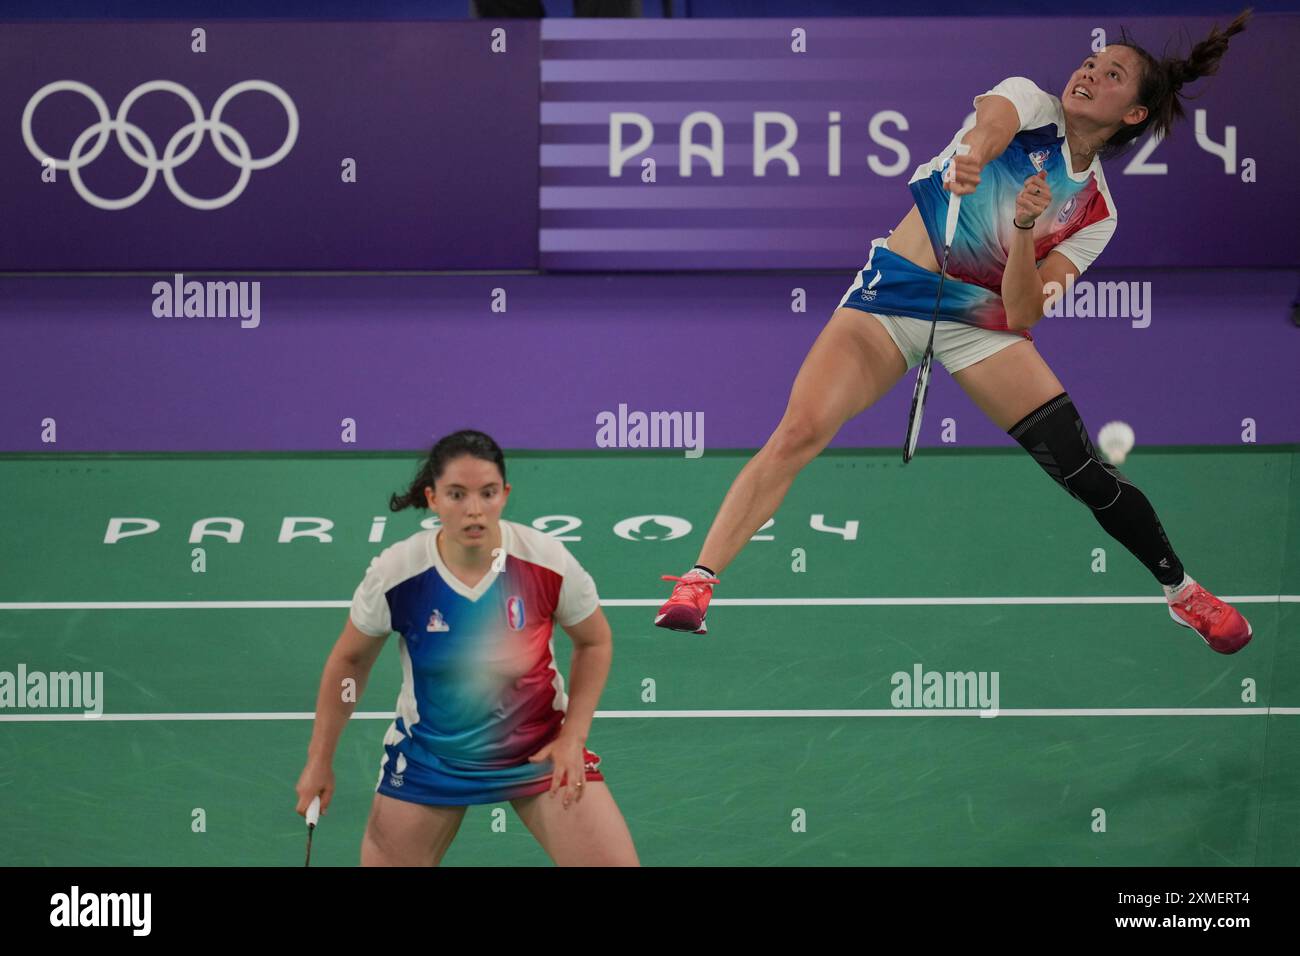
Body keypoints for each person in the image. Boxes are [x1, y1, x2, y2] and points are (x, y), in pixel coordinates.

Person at [655, 12, 1254, 655]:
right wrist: (970, 159)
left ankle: (1183, 592)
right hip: (896, 295)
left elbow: (1023, 314)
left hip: (982, 320)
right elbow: (990, 128)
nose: (1089, 73)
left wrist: (1024, 229)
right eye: (1091, 62)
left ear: (1133, 115)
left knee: (1085, 472)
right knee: (800, 430)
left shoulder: (1097, 215)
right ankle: (698, 580)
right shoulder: (1031, 101)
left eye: (1112, 75)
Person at [297, 430, 639, 865]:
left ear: (505, 494)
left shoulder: (546, 561)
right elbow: (350, 661)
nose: (474, 510)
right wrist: (319, 760)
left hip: (538, 750)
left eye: (488, 493)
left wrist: (574, 735)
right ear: (433, 498)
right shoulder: (397, 573)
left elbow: (595, 641)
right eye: (456, 495)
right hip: (432, 757)